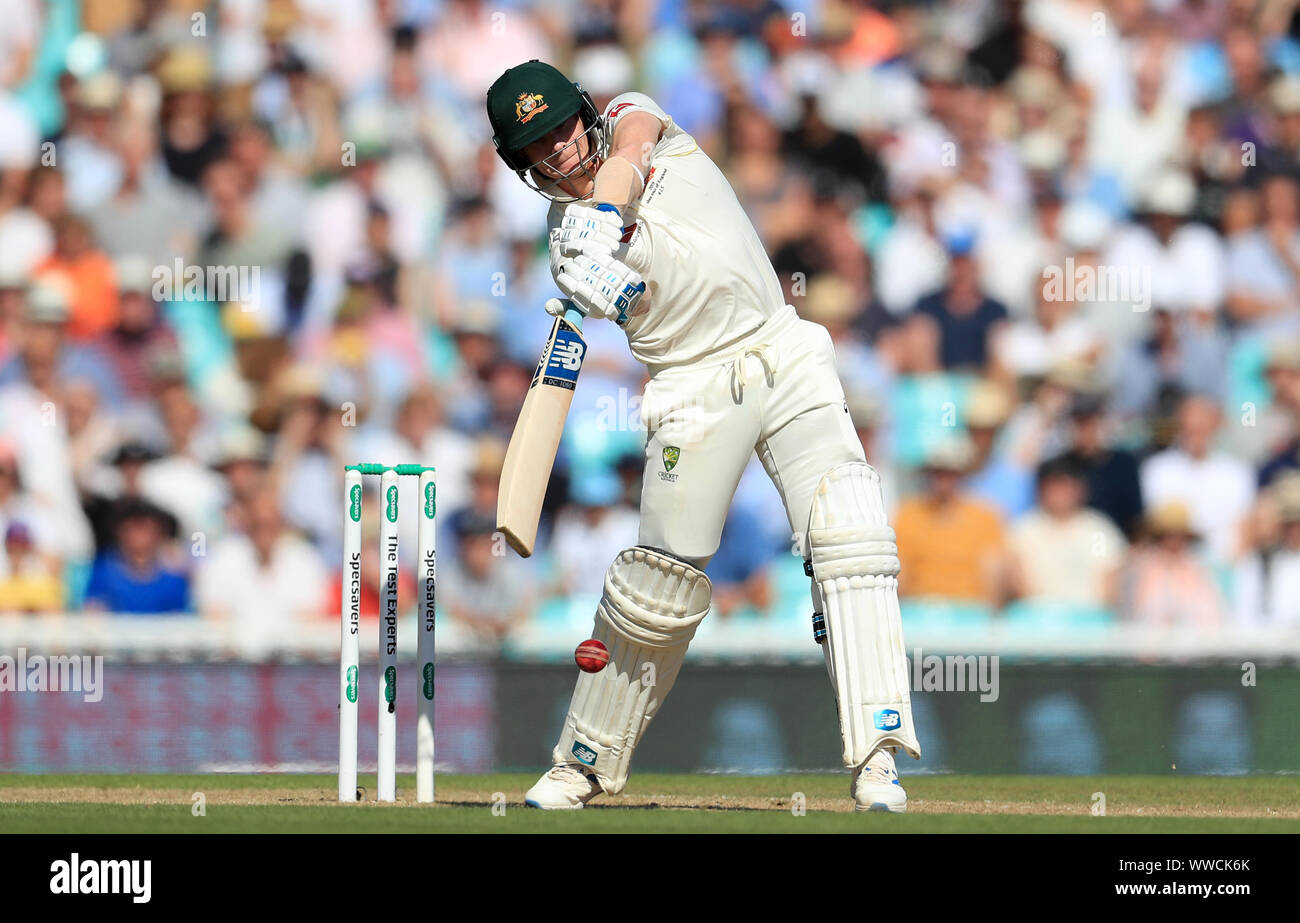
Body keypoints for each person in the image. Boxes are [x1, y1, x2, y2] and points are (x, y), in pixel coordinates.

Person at [487, 60, 920, 812]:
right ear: (521, 163)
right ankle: (584, 762)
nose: (557, 148)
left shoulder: (637, 117)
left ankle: (879, 755)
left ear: (582, 111)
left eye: (559, 126)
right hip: (690, 387)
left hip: (781, 348)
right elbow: (649, 296)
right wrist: (596, 261)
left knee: (850, 530)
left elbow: (632, 142)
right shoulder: (565, 249)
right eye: (536, 144)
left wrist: (608, 206)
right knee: (657, 582)